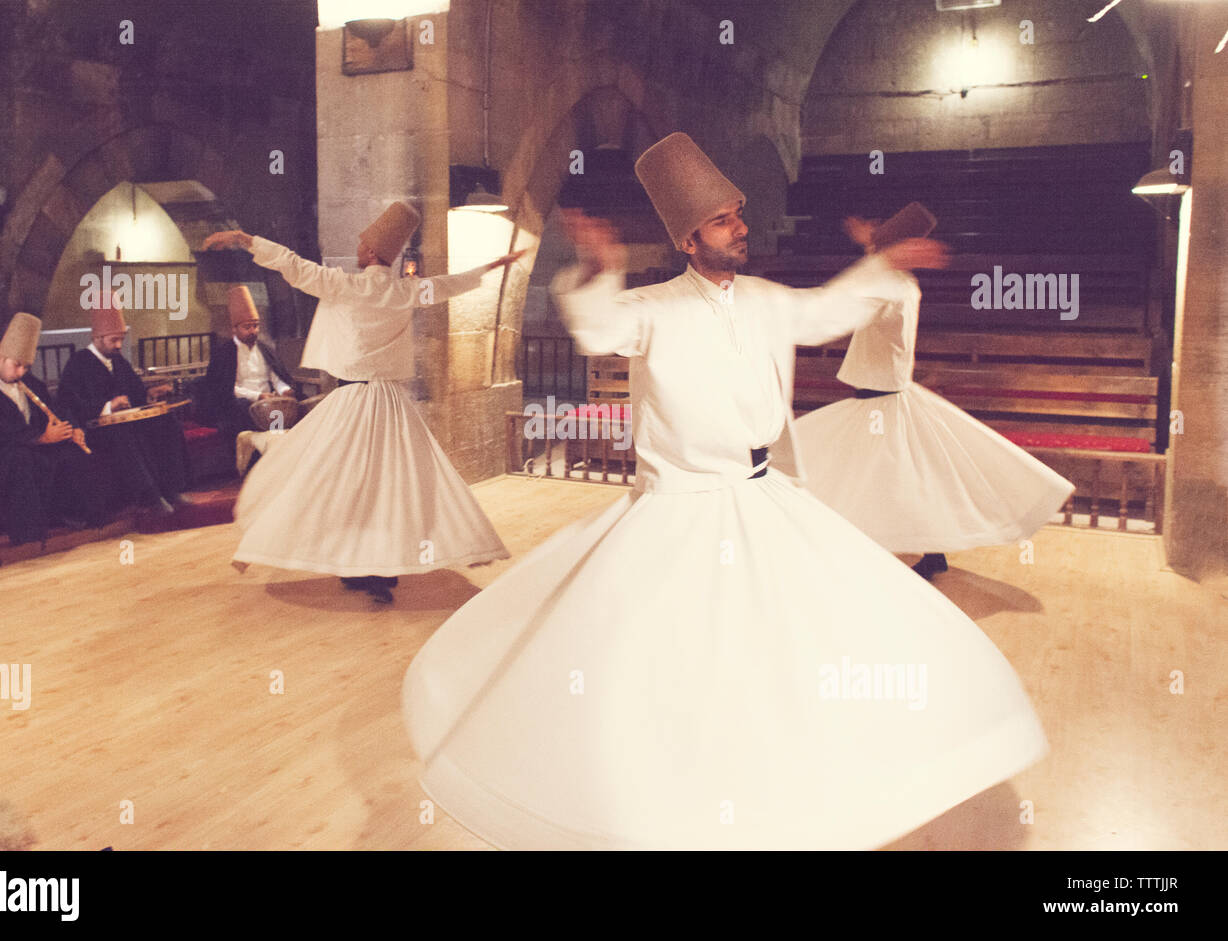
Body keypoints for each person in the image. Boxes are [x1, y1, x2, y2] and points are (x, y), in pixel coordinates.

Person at [401, 132, 1048, 849]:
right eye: (723, 219)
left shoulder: (767, 299)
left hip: (762, 499)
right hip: (678, 510)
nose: (740, 226)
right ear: (687, 239)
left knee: (795, 649)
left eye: (738, 213)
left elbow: (826, 311)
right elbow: (596, 326)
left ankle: (783, 792)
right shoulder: (651, 307)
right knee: (671, 667)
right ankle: (674, 805)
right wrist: (596, 268)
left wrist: (884, 262)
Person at [203, 201, 524, 603]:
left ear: (371, 253)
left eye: (362, 242)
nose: (358, 245)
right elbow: (449, 284)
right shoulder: (405, 289)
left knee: (336, 479)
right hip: (390, 402)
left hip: (353, 398)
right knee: (389, 485)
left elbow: (293, 265)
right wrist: (495, 265)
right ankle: (377, 567)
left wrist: (243, 239)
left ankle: (358, 563)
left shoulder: (346, 285)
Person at [792, 205, 1076, 579]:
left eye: (882, 245)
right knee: (906, 477)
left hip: (880, 402)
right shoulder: (902, 281)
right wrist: (872, 248)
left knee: (859, 474)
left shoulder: (887, 286)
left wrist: (875, 253)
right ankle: (922, 550)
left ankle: (857, 552)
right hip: (887, 397)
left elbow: (840, 304)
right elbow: (875, 275)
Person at [0, 312, 109, 545]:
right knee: (21, 460)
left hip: (30, 447)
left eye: (26, 367)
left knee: (70, 453)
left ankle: (80, 519)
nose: (21, 373)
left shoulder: (28, 382)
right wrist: (40, 439)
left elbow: (57, 409)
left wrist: (71, 429)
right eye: (17, 365)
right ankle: (29, 537)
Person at [56, 298, 191, 515]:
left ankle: (172, 489)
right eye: (114, 340)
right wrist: (108, 406)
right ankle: (150, 496)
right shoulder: (78, 364)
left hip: (127, 422)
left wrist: (149, 395)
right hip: (96, 429)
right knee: (123, 434)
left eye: (121, 339)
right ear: (97, 338)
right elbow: (69, 405)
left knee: (167, 423)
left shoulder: (119, 361)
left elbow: (136, 393)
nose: (119, 345)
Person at [201, 284, 298, 438]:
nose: (253, 331)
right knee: (241, 408)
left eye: (255, 326)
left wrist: (284, 390)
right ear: (235, 329)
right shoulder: (224, 353)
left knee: (299, 400)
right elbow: (225, 388)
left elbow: (275, 377)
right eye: (247, 327)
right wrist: (258, 396)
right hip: (242, 404)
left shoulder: (265, 349)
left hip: (270, 401)